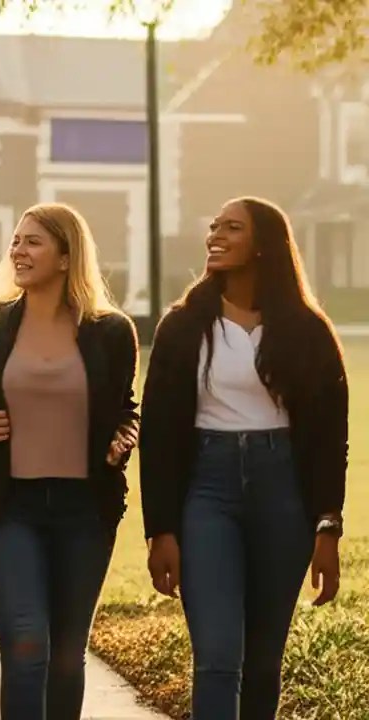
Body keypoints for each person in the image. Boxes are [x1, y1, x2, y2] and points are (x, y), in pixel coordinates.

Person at [141, 197, 346, 719]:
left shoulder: (307, 330)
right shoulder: (184, 326)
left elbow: (328, 438)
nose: (216, 234)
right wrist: (159, 529)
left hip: (285, 495)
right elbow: (159, 434)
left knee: (261, 662)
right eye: (214, 226)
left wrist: (327, 527)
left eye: (232, 227)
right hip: (208, 491)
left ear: (263, 245)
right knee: (216, 657)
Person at [0, 202, 139, 719]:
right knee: (28, 644)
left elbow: (126, 409)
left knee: (68, 658)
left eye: (33, 241)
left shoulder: (112, 331)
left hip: (85, 511)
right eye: (16, 240)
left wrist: (122, 438)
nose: (18, 251)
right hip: (8, 508)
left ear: (65, 255)